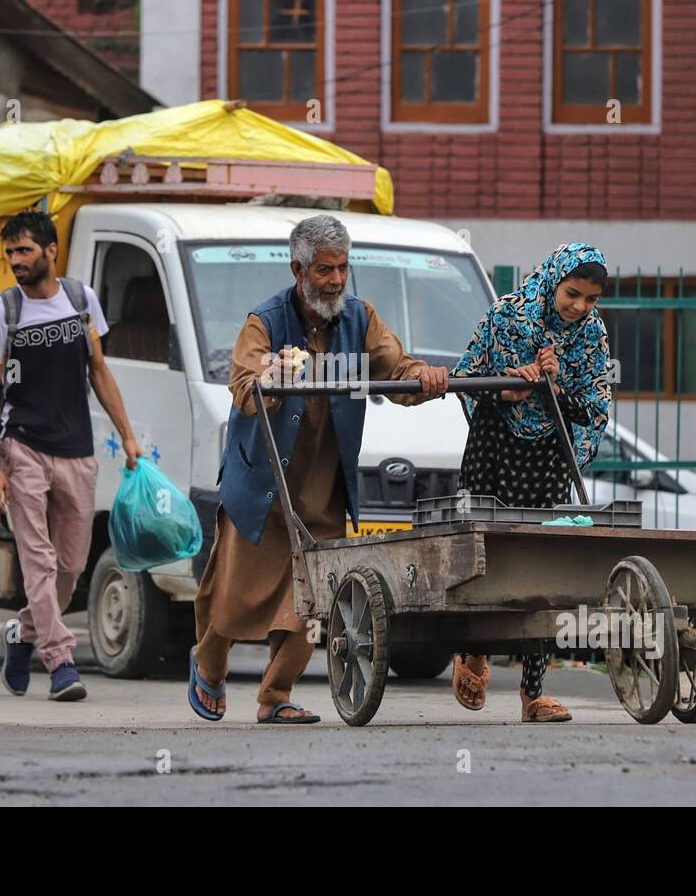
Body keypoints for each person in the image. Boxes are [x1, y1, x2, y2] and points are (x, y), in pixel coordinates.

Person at [189, 214, 450, 723]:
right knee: (234, 600)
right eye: (325, 270)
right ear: (298, 269)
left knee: (312, 600)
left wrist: (424, 376)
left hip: (325, 485)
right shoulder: (263, 322)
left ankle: (274, 696)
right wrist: (272, 376)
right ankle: (209, 662)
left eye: (343, 269)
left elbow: (396, 366)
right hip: (265, 484)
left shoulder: (359, 318)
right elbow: (242, 387)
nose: (335, 280)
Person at [0, 210, 142, 702]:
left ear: (51, 251)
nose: (15, 261)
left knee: (71, 564)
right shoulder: (1, 312)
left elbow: (99, 370)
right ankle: (60, 661)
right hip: (22, 447)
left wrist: (128, 436)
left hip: (77, 450)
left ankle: (23, 634)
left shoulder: (79, 299)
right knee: (39, 561)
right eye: (10, 253)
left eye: (24, 251)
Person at [450, 242, 612, 722]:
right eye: (572, 294)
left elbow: (595, 404)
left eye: (590, 299)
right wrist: (508, 388)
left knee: (544, 563)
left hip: (547, 457)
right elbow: (465, 378)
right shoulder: (506, 316)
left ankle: (532, 694)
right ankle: (472, 652)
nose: (579, 307)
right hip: (492, 449)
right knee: (483, 556)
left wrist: (556, 387)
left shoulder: (591, 336)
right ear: (553, 281)